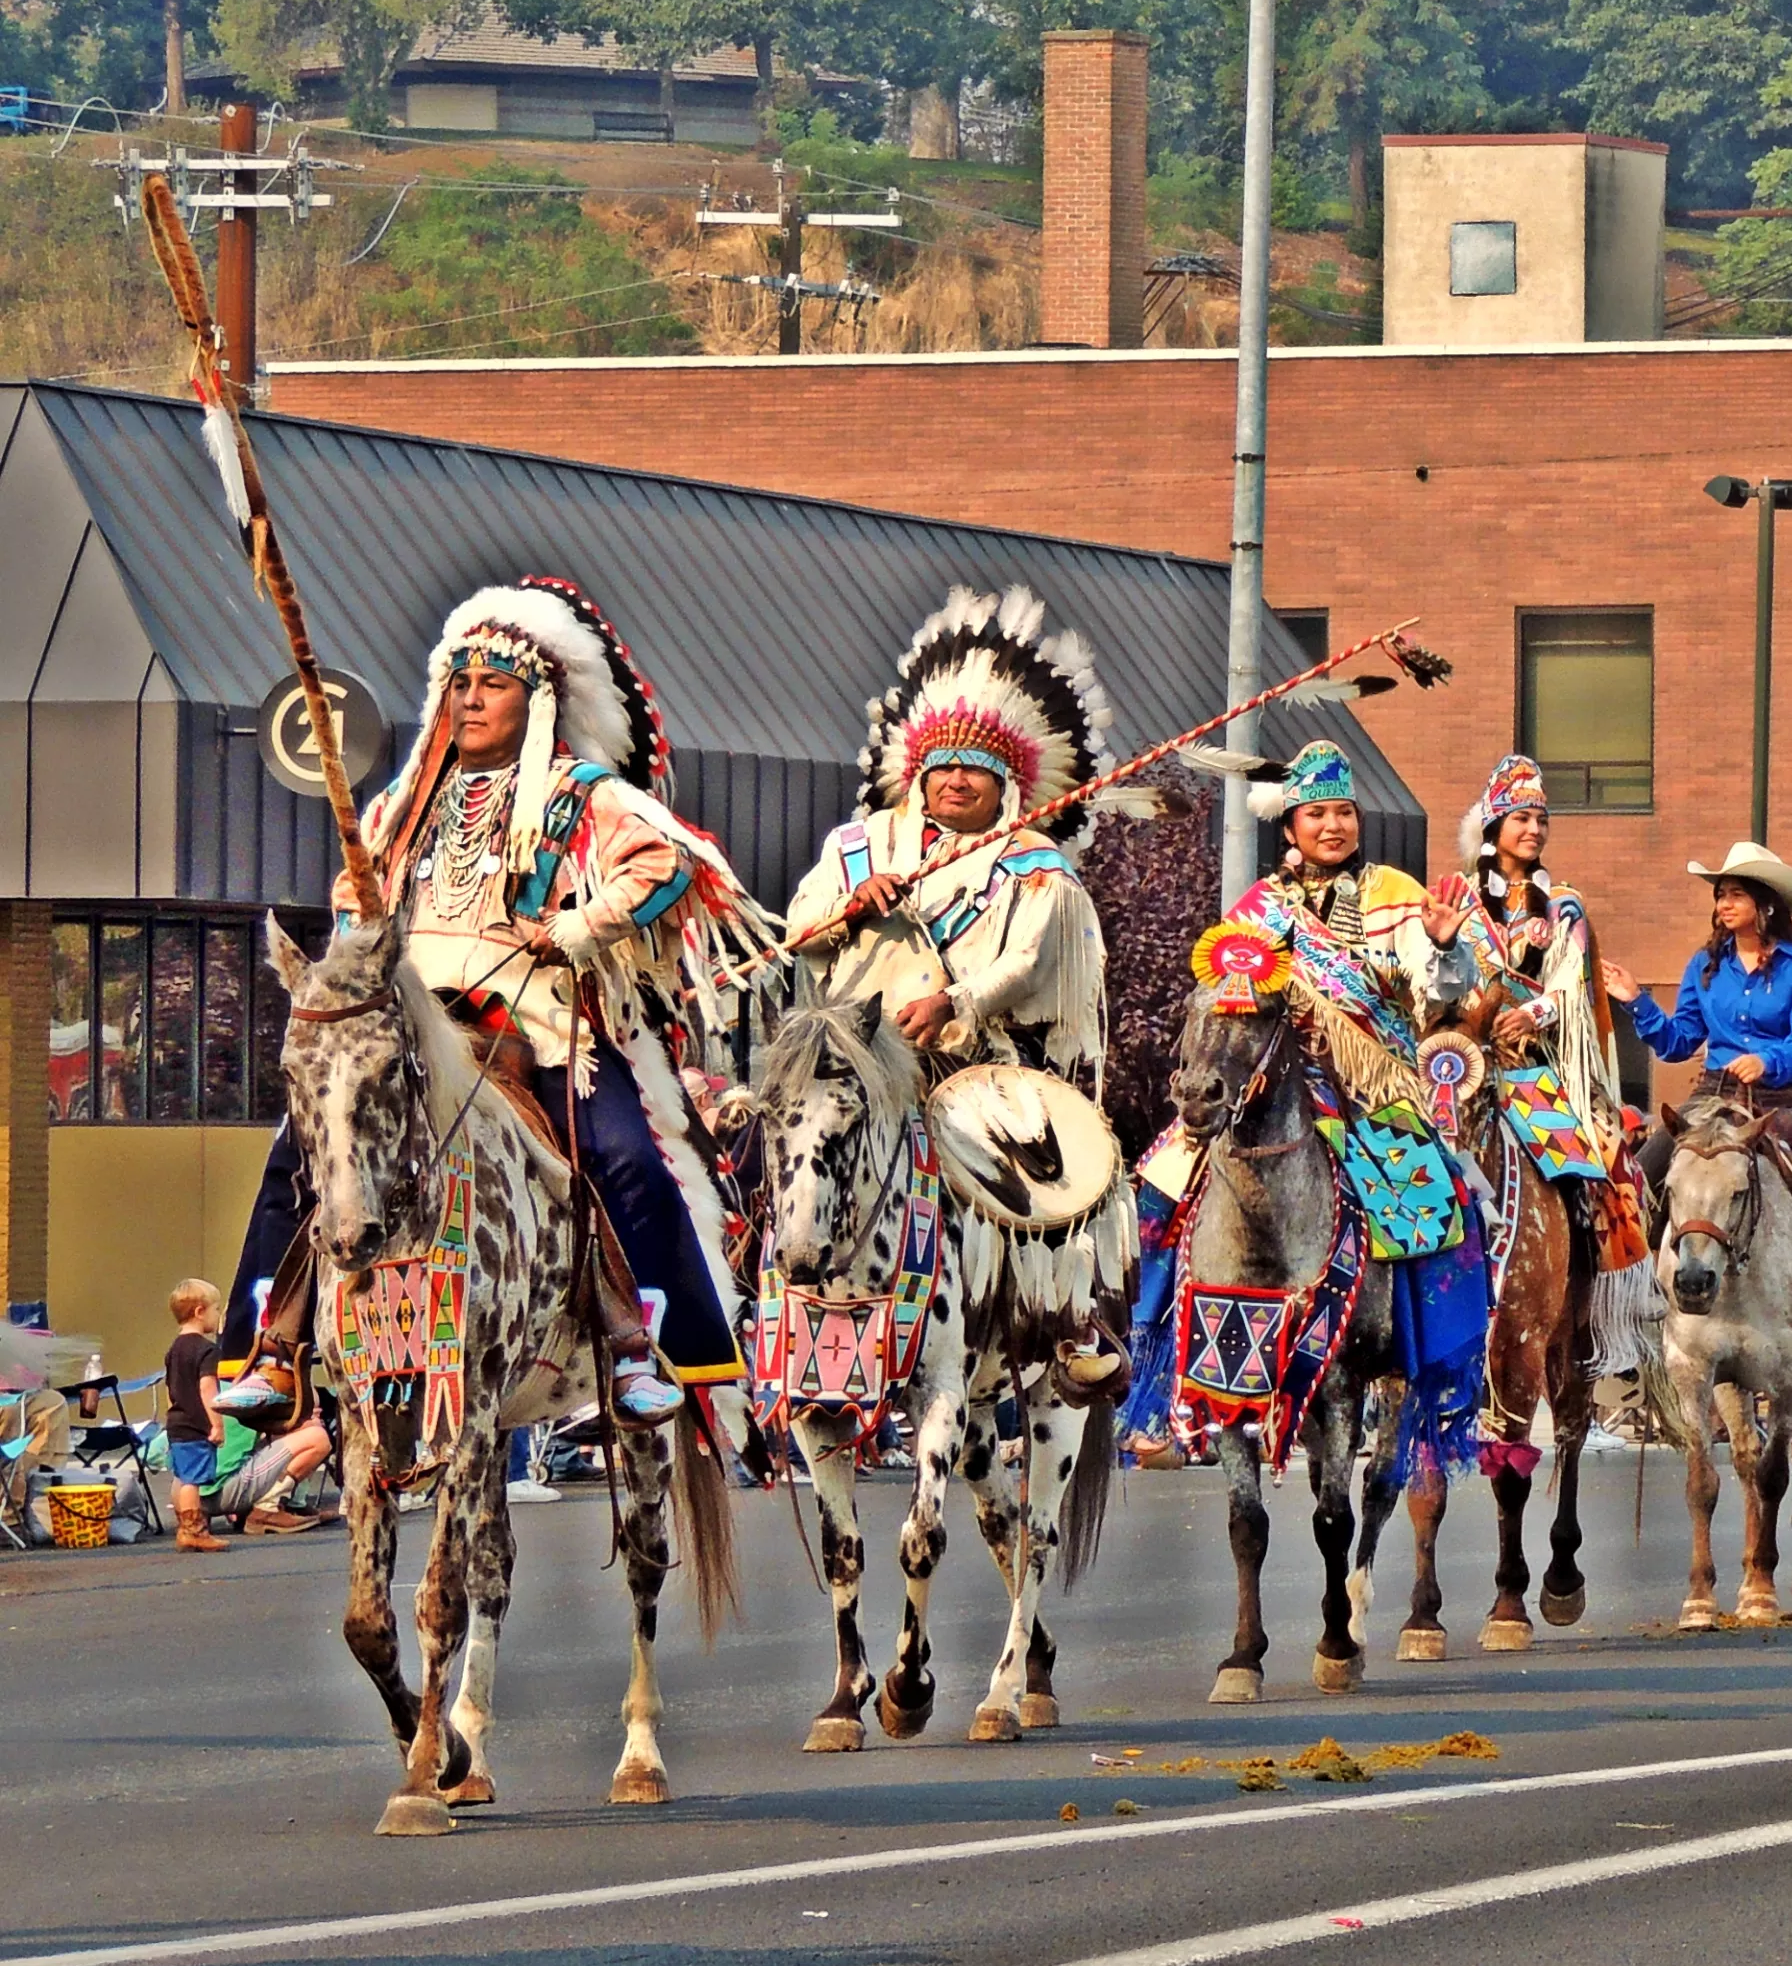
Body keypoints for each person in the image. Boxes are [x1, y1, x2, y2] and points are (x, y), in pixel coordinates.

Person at [217, 579, 772, 1430]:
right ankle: (276, 1342)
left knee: (620, 1151)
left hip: (532, 1026)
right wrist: (357, 924)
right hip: (408, 1021)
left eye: (494, 685)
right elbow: (354, 906)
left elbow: (670, 866)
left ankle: (637, 1342)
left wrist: (581, 927)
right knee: (303, 1145)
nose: (471, 700)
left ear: (536, 698)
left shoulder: (580, 793)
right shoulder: (401, 807)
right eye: (460, 685)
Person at [787, 584, 1124, 1389]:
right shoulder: (857, 846)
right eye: (942, 768)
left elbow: (1027, 964)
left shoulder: (1033, 866)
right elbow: (793, 930)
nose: (956, 782)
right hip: (852, 1050)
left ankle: (1072, 1312)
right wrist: (847, 908)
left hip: (973, 1059)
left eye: (976, 770)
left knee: (1045, 1170)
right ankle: (759, 1289)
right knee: (770, 1144)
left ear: (1005, 785)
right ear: (918, 775)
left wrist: (957, 1002)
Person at [1133, 739, 1491, 1465]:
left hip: (1373, 1088)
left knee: (1439, 1192)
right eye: (1317, 813)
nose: (1333, 826)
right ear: (1289, 825)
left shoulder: (1395, 893)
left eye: (1344, 812)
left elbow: (1442, 991)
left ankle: (1426, 1361)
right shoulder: (1257, 909)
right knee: (1163, 1182)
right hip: (1264, 1087)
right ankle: (1147, 1368)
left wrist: (1447, 948)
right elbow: (1223, 1002)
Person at [1600, 842, 1792, 1355]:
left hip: (1786, 1098)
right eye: (1720, 896)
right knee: (1630, 1183)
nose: (1723, 905)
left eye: (1735, 894)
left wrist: (1767, 1060)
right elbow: (1678, 1043)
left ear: (1765, 903)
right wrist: (1637, 1002)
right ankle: (1617, 1307)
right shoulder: (1706, 964)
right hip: (1713, 1097)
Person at [1456, 754, 1648, 1271]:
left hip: (1538, 1066)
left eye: (1542, 821)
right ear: (1494, 824)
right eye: (1522, 818)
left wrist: (1531, 1015)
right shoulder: (1459, 899)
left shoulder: (1564, 905)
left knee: (1606, 1162)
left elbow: (1571, 986)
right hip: (1461, 1063)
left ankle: (1593, 1292)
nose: (1535, 829)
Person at [162, 1281, 330, 1546]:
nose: (219, 1316)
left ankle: (189, 1526)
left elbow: (170, 1388)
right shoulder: (212, 1359)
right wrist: (216, 1423)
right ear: (199, 1312)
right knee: (317, 1438)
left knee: (188, 1479)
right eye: (216, 1309)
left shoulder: (174, 1349)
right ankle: (255, 1513)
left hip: (179, 1429)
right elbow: (207, 1388)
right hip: (212, 1466)